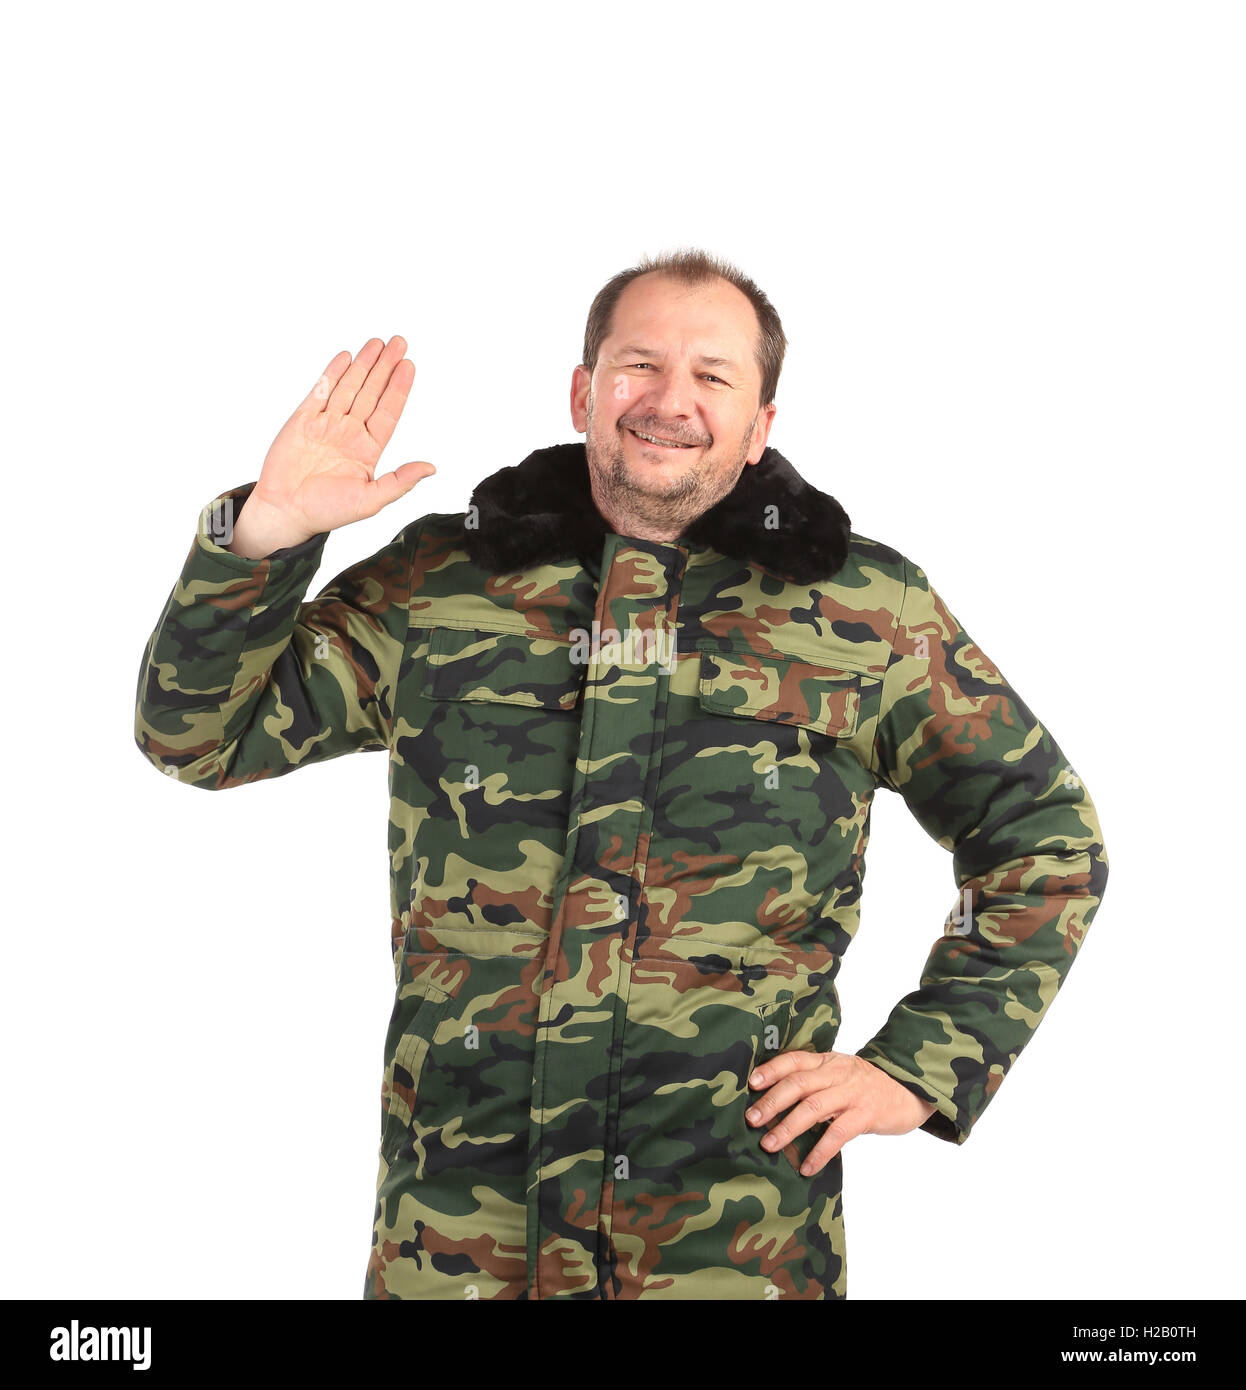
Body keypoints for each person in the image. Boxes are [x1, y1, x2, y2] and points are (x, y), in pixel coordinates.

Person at [133, 248, 1108, 1300]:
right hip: (458, 1246)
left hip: (730, 1250)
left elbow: (1042, 841)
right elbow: (199, 736)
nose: (669, 400)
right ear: (582, 389)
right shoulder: (444, 582)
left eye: (712, 376)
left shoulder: (865, 611)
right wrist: (271, 533)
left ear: (761, 422)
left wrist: (920, 1068)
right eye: (636, 364)